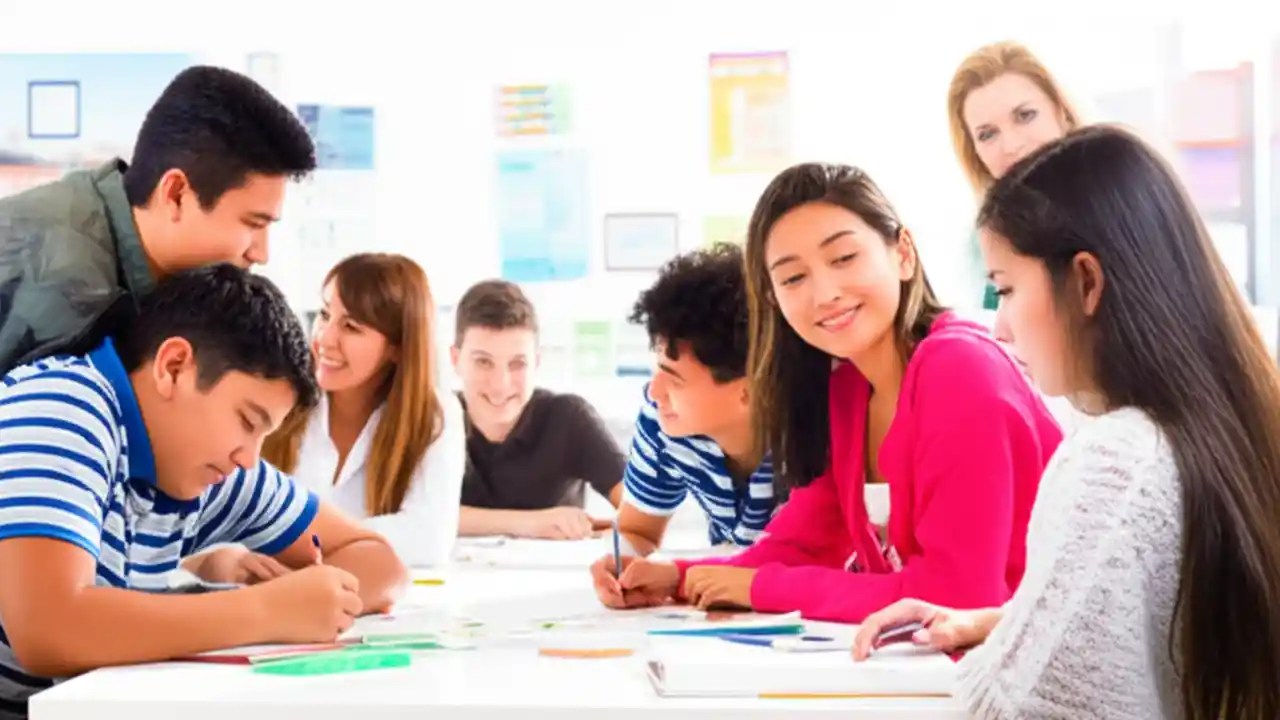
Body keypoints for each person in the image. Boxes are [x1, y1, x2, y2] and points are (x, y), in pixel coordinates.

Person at [853, 125, 1280, 720]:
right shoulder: (1230, 424)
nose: (999, 326)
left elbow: (1034, 706)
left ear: (1085, 281)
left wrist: (1005, 653)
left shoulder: (1116, 459)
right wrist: (1002, 625)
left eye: (1005, 289)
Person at [593, 164, 1061, 623]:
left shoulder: (959, 368)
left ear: (903, 253)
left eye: (844, 258)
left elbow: (957, 595)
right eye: (793, 278)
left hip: (1042, 677)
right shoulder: (847, 389)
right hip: (960, 675)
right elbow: (803, 545)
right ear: (773, 298)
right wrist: (674, 578)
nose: (825, 293)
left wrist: (760, 590)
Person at [0, 264, 406, 716]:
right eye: (248, 422)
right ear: (174, 367)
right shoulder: (62, 407)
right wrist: (267, 611)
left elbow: (377, 557)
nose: (250, 458)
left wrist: (310, 595)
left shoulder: (204, 467)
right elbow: (48, 628)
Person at [0, 64, 316, 374]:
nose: (260, 253)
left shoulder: (100, 208)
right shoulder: (72, 300)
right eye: (253, 224)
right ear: (176, 194)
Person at [249, 253, 466, 567]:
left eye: (351, 326)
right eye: (325, 315)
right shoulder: (282, 394)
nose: (325, 338)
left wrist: (299, 541)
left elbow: (428, 538)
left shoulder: (434, 415)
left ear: (397, 346)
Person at [597, 244, 776, 561]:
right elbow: (637, 531)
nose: (654, 392)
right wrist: (622, 566)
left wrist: (678, 576)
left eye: (674, 379)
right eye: (656, 370)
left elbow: (795, 563)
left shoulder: (809, 441)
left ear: (749, 392)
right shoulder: (663, 422)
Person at [453, 280, 624, 540]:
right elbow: (408, 517)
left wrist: (600, 527)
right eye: (483, 362)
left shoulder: (568, 418)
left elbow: (643, 510)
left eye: (517, 364)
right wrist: (530, 523)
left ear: (537, 363)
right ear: (456, 360)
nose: (500, 384)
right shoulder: (433, 418)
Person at [948, 41, 1080, 310]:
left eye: (1025, 115)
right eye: (987, 134)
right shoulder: (985, 242)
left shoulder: (1123, 196)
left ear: (1061, 111)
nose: (1011, 146)